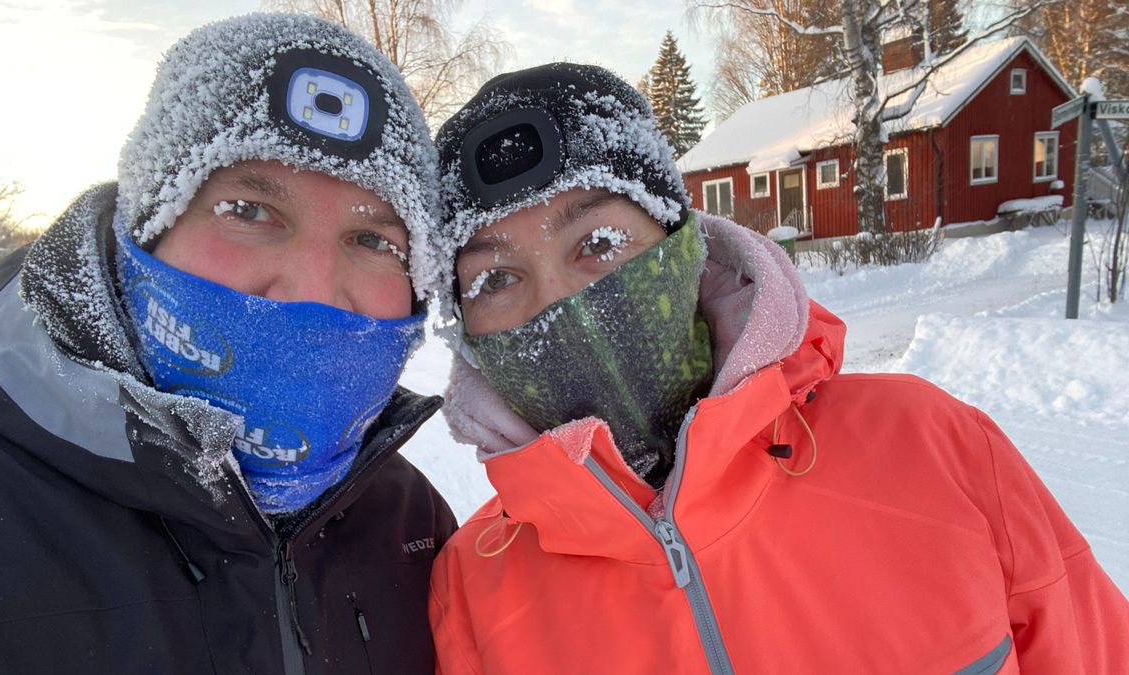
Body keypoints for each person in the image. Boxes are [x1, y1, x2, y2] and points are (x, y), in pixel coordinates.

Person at [426, 63, 1129, 674]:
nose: (562, 301)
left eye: (600, 240)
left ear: (685, 246)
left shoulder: (938, 449)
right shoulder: (476, 588)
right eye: (494, 279)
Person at [0, 13, 455, 673]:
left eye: (375, 240)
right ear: (144, 230)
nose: (312, 292)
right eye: (250, 211)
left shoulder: (415, 526)